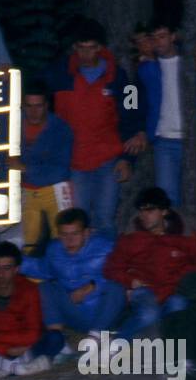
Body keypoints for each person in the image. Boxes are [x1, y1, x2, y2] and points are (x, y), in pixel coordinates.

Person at [47, 19, 146, 241]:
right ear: (75, 47)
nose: (86, 53)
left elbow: (131, 113)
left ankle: (105, 272)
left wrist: (127, 159)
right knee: (78, 222)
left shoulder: (118, 76)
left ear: (100, 48)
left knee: (104, 220)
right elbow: (39, 108)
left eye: (92, 47)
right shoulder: (58, 74)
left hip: (107, 160)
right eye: (81, 47)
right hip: (74, 162)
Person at [138, 17, 196, 221]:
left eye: (163, 36)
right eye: (154, 38)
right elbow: (134, 102)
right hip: (165, 142)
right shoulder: (146, 68)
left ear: (173, 36)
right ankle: (174, 246)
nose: (159, 42)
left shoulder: (195, 60)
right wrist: (140, 130)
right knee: (168, 200)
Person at [104, 186, 196, 339]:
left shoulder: (183, 236)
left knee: (180, 306)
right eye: (141, 211)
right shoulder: (131, 237)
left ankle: (173, 353)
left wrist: (182, 278)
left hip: (173, 290)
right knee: (149, 313)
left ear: (164, 212)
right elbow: (110, 268)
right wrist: (130, 281)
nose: (144, 216)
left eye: (150, 211)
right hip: (144, 290)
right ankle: (116, 343)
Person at [22, 208, 125, 337]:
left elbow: (123, 272)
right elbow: (42, 269)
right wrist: (15, 260)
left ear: (86, 233)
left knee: (116, 287)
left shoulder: (106, 247)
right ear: (58, 234)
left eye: (75, 234)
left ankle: (95, 334)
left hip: (105, 313)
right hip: (75, 312)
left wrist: (93, 286)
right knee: (45, 287)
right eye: (64, 235)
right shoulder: (54, 250)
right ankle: (56, 340)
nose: (69, 240)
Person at [0, 242, 64, 378]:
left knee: (55, 338)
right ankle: (24, 365)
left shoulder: (29, 289)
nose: (1, 274)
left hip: (23, 346)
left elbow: (33, 333)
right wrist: (5, 350)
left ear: (16, 269)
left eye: (7, 268)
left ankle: (0, 367)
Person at [6, 87, 74, 250]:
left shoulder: (60, 128)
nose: (33, 112)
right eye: (29, 106)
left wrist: (25, 169)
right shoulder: (13, 124)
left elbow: (60, 171)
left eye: (38, 106)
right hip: (26, 191)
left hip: (55, 189)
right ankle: (29, 275)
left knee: (65, 239)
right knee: (26, 243)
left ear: (47, 105)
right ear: (22, 106)